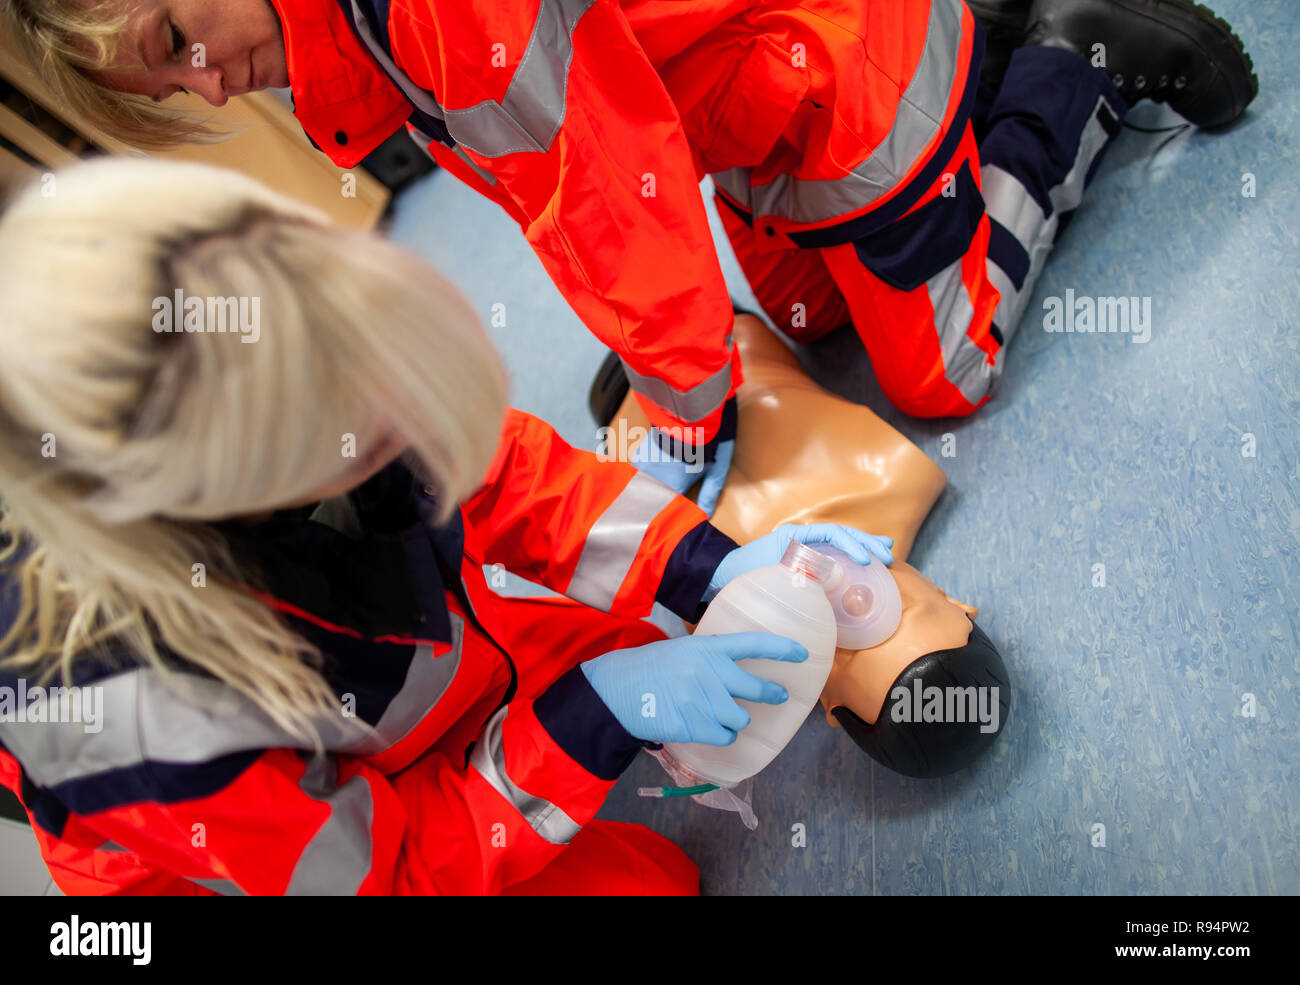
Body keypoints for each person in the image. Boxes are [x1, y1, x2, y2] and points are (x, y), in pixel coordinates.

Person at [0, 157, 896, 895]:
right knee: (645, 878)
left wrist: (709, 567)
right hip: (294, 853)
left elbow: (514, 476)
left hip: (378, 673)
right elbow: (389, 876)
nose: (405, 415)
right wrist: (597, 711)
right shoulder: (144, 727)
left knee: (622, 647)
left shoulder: (304, 376)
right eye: (368, 436)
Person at [0, 1, 1258, 514]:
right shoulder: (373, 32)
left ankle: (1069, 61)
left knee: (942, 369)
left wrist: (673, 406)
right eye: (174, 90)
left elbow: (612, 193)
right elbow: (566, 184)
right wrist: (675, 372)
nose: (212, 86)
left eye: (176, 37)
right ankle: (969, 46)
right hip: (739, 93)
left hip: (819, 51)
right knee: (811, 320)